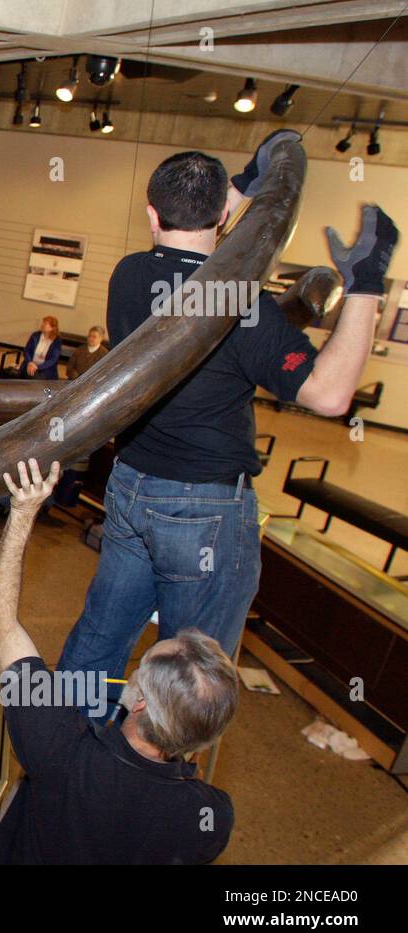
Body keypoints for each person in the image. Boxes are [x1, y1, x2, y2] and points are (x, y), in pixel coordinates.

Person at [57, 130, 398, 713]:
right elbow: (331, 394)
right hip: (206, 513)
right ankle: (150, 788)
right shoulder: (244, 304)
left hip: (133, 486)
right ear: (220, 216)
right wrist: (366, 283)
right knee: (190, 682)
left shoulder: (129, 276)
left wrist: (244, 177)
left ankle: (67, 758)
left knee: (97, 641)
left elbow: (201, 242)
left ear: (150, 212)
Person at [0, 459, 238, 865]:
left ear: (138, 703)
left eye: (141, 667)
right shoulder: (209, 817)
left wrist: (23, 512)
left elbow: (1, 625)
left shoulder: (59, 751)